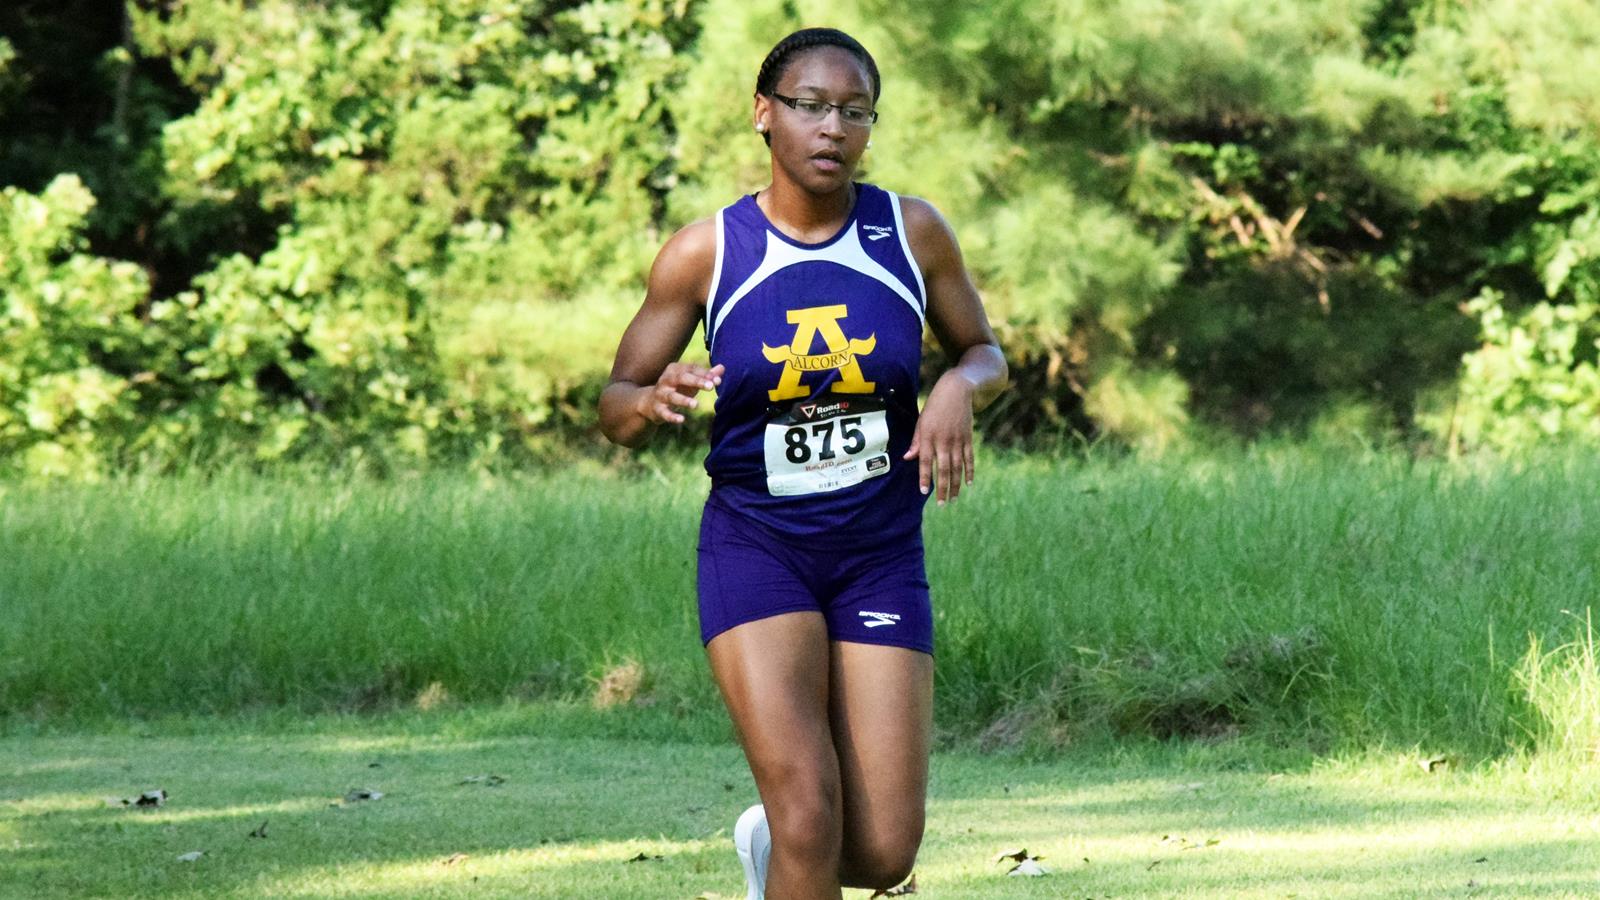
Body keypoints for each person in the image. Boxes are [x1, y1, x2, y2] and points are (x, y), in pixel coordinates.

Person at [599, 27, 1007, 900]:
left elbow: (985, 352)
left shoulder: (911, 233)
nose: (834, 129)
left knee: (883, 854)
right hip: (759, 549)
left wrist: (956, 388)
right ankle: (785, 838)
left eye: (855, 112)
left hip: (878, 554)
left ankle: (769, 851)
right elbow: (616, 404)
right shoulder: (707, 252)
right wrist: (651, 397)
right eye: (811, 106)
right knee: (810, 819)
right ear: (764, 113)